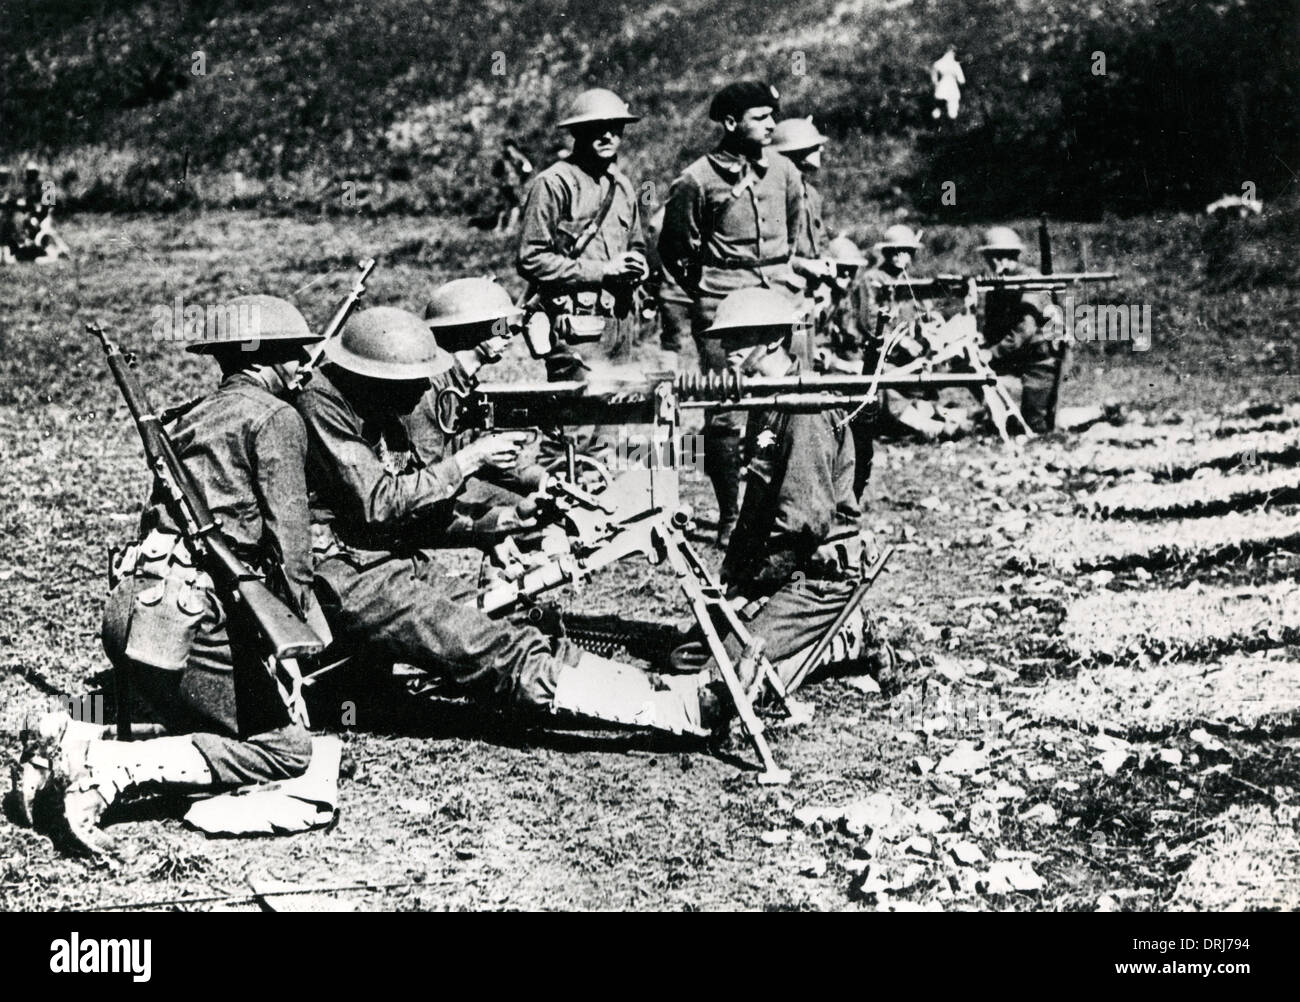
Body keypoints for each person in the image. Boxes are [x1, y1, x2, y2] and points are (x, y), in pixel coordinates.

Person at [294, 306, 719, 741]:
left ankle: (669, 692)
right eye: (413, 383)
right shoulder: (324, 406)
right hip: (345, 578)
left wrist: (505, 519)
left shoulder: (379, 405)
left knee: (517, 624)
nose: (423, 391)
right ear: (375, 376)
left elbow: (413, 516)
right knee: (486, 645)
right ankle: (678, 711)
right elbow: (381, 504)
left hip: (389, 563)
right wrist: (469, 460)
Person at [13, 296, 327, 855]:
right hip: (187, 623)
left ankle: (68, 735)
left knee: (193, 717)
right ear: (269, 358)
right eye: (293, 354)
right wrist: (293, 650)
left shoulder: (187, 418)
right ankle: (108, 770)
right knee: (285, 748)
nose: (302, 366)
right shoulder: (276, 418)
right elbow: (292, 548)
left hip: (134, 608)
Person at [671, 287, 893, 691]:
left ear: (774, 338)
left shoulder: (803, 409)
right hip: (785, 569)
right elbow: (755, 505)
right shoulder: (767, 400)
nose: (729, 349)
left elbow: (803, 524)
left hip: (819, 580)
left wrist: (752, 586)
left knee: (720, 676)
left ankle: (846, 640)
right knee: (691, 649)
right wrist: (734, 580)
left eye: (740, 338)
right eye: (726, 339)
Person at [658, 80, 805, 547]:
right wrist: (709, 293)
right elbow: (676, 248)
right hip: (724, 305)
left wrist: (779, 280)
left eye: (772, 116)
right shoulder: (696, 179)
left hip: (778, 301)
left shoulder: (783, 171)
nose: (771, 125)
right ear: (729, 123)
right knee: (725, 410)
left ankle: (774, 505)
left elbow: (795, 232)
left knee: (785, 404)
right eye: (760, 117)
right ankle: (729, 513)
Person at [975, 226, 1057, 432]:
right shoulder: (998, 282)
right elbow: (992, 324)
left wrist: (991, 353)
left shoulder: (1029, 278)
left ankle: (1101, 413)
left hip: (1038, 362)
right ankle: (999, 413)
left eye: (990, 257)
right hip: (1012, 358)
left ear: (997, 258)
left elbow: (1026, 329)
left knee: (1034, 423)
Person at [491, 140, 534, 233]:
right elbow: (495, 172)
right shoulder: (505, 159)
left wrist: (522, 180)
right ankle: (502, 227)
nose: (508, 150)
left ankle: (508, 227)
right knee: (506, 206)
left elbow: (528, 169)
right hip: (507, 186)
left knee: (512, 206)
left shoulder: (518, 159)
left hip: (513, 186)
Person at [931, 46, 965, 121]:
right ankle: (948, 113)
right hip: (952, 88)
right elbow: (962, 80)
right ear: (953, 53)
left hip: (941, 88)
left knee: (940, 104)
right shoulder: (955, 65)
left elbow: (934, 76)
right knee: (952, 108)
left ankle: (938, 111)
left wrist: (936, 83)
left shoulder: (939, 63)